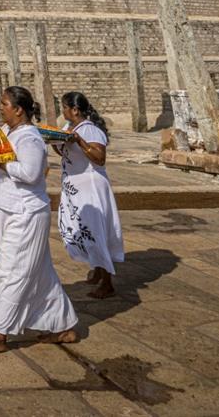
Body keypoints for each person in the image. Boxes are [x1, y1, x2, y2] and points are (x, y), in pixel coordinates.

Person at [0, 85, 78, 352]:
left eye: (4, 105)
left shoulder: (29, 138)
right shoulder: (8, 131)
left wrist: (0, 162)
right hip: (7, 206)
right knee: (40, 273)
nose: (0, 109)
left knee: (11, 270)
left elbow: (32, 173)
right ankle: (62, 326)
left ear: (18, 110)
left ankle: (0, 331)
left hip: (26, 213)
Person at [55, 91, 124, 298]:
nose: (63, 111)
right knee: (81, 229)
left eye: (65, 107)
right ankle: (97, 269)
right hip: (75, 187)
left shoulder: (90, 131)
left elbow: (99, 158)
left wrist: (80, 142)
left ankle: (107, 281)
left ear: (75, 110)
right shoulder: (69, 128)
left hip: (90, 187)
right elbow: (65, 153)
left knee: (94, 231)